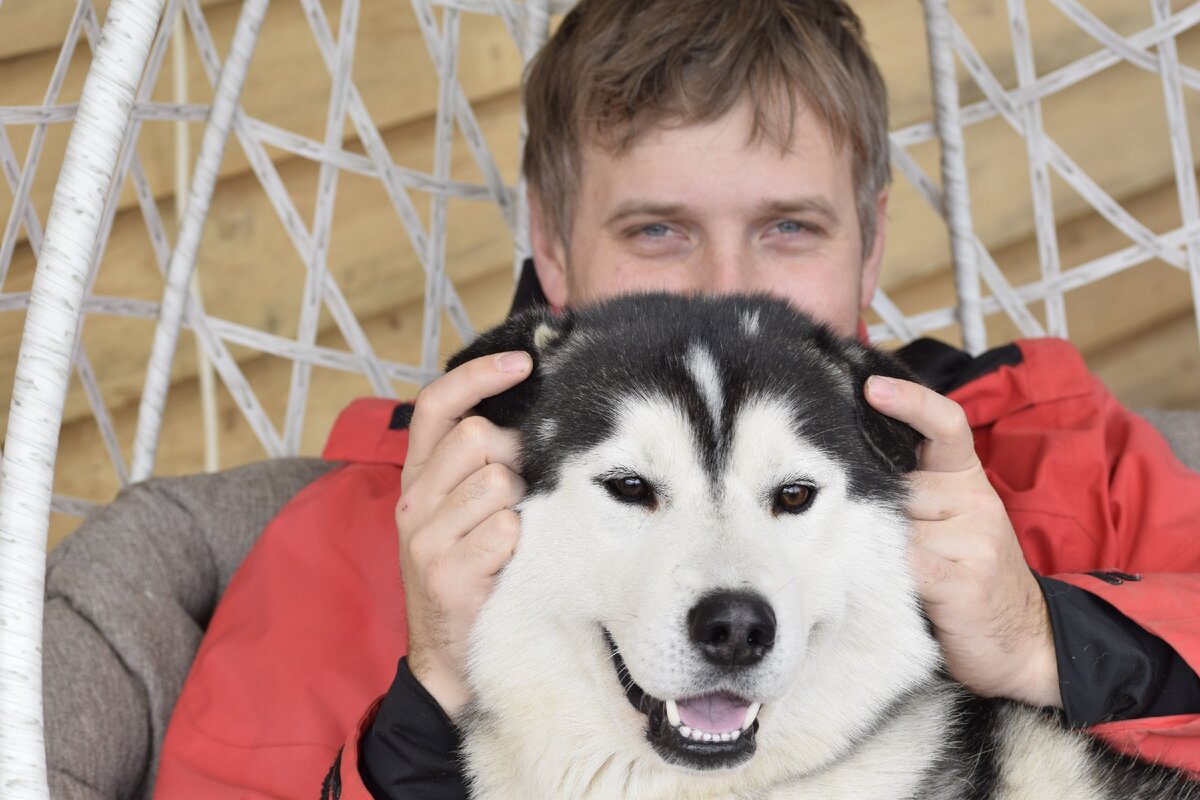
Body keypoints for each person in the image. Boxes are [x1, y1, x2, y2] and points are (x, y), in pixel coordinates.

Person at [153, 1, 1200, 797]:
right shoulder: (359, 534)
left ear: (871, 240)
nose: (720, 289)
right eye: (658, 230)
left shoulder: (1056, 455)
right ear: (553, 244)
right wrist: (431, 691)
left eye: (790, 226)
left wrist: (1041, 640)